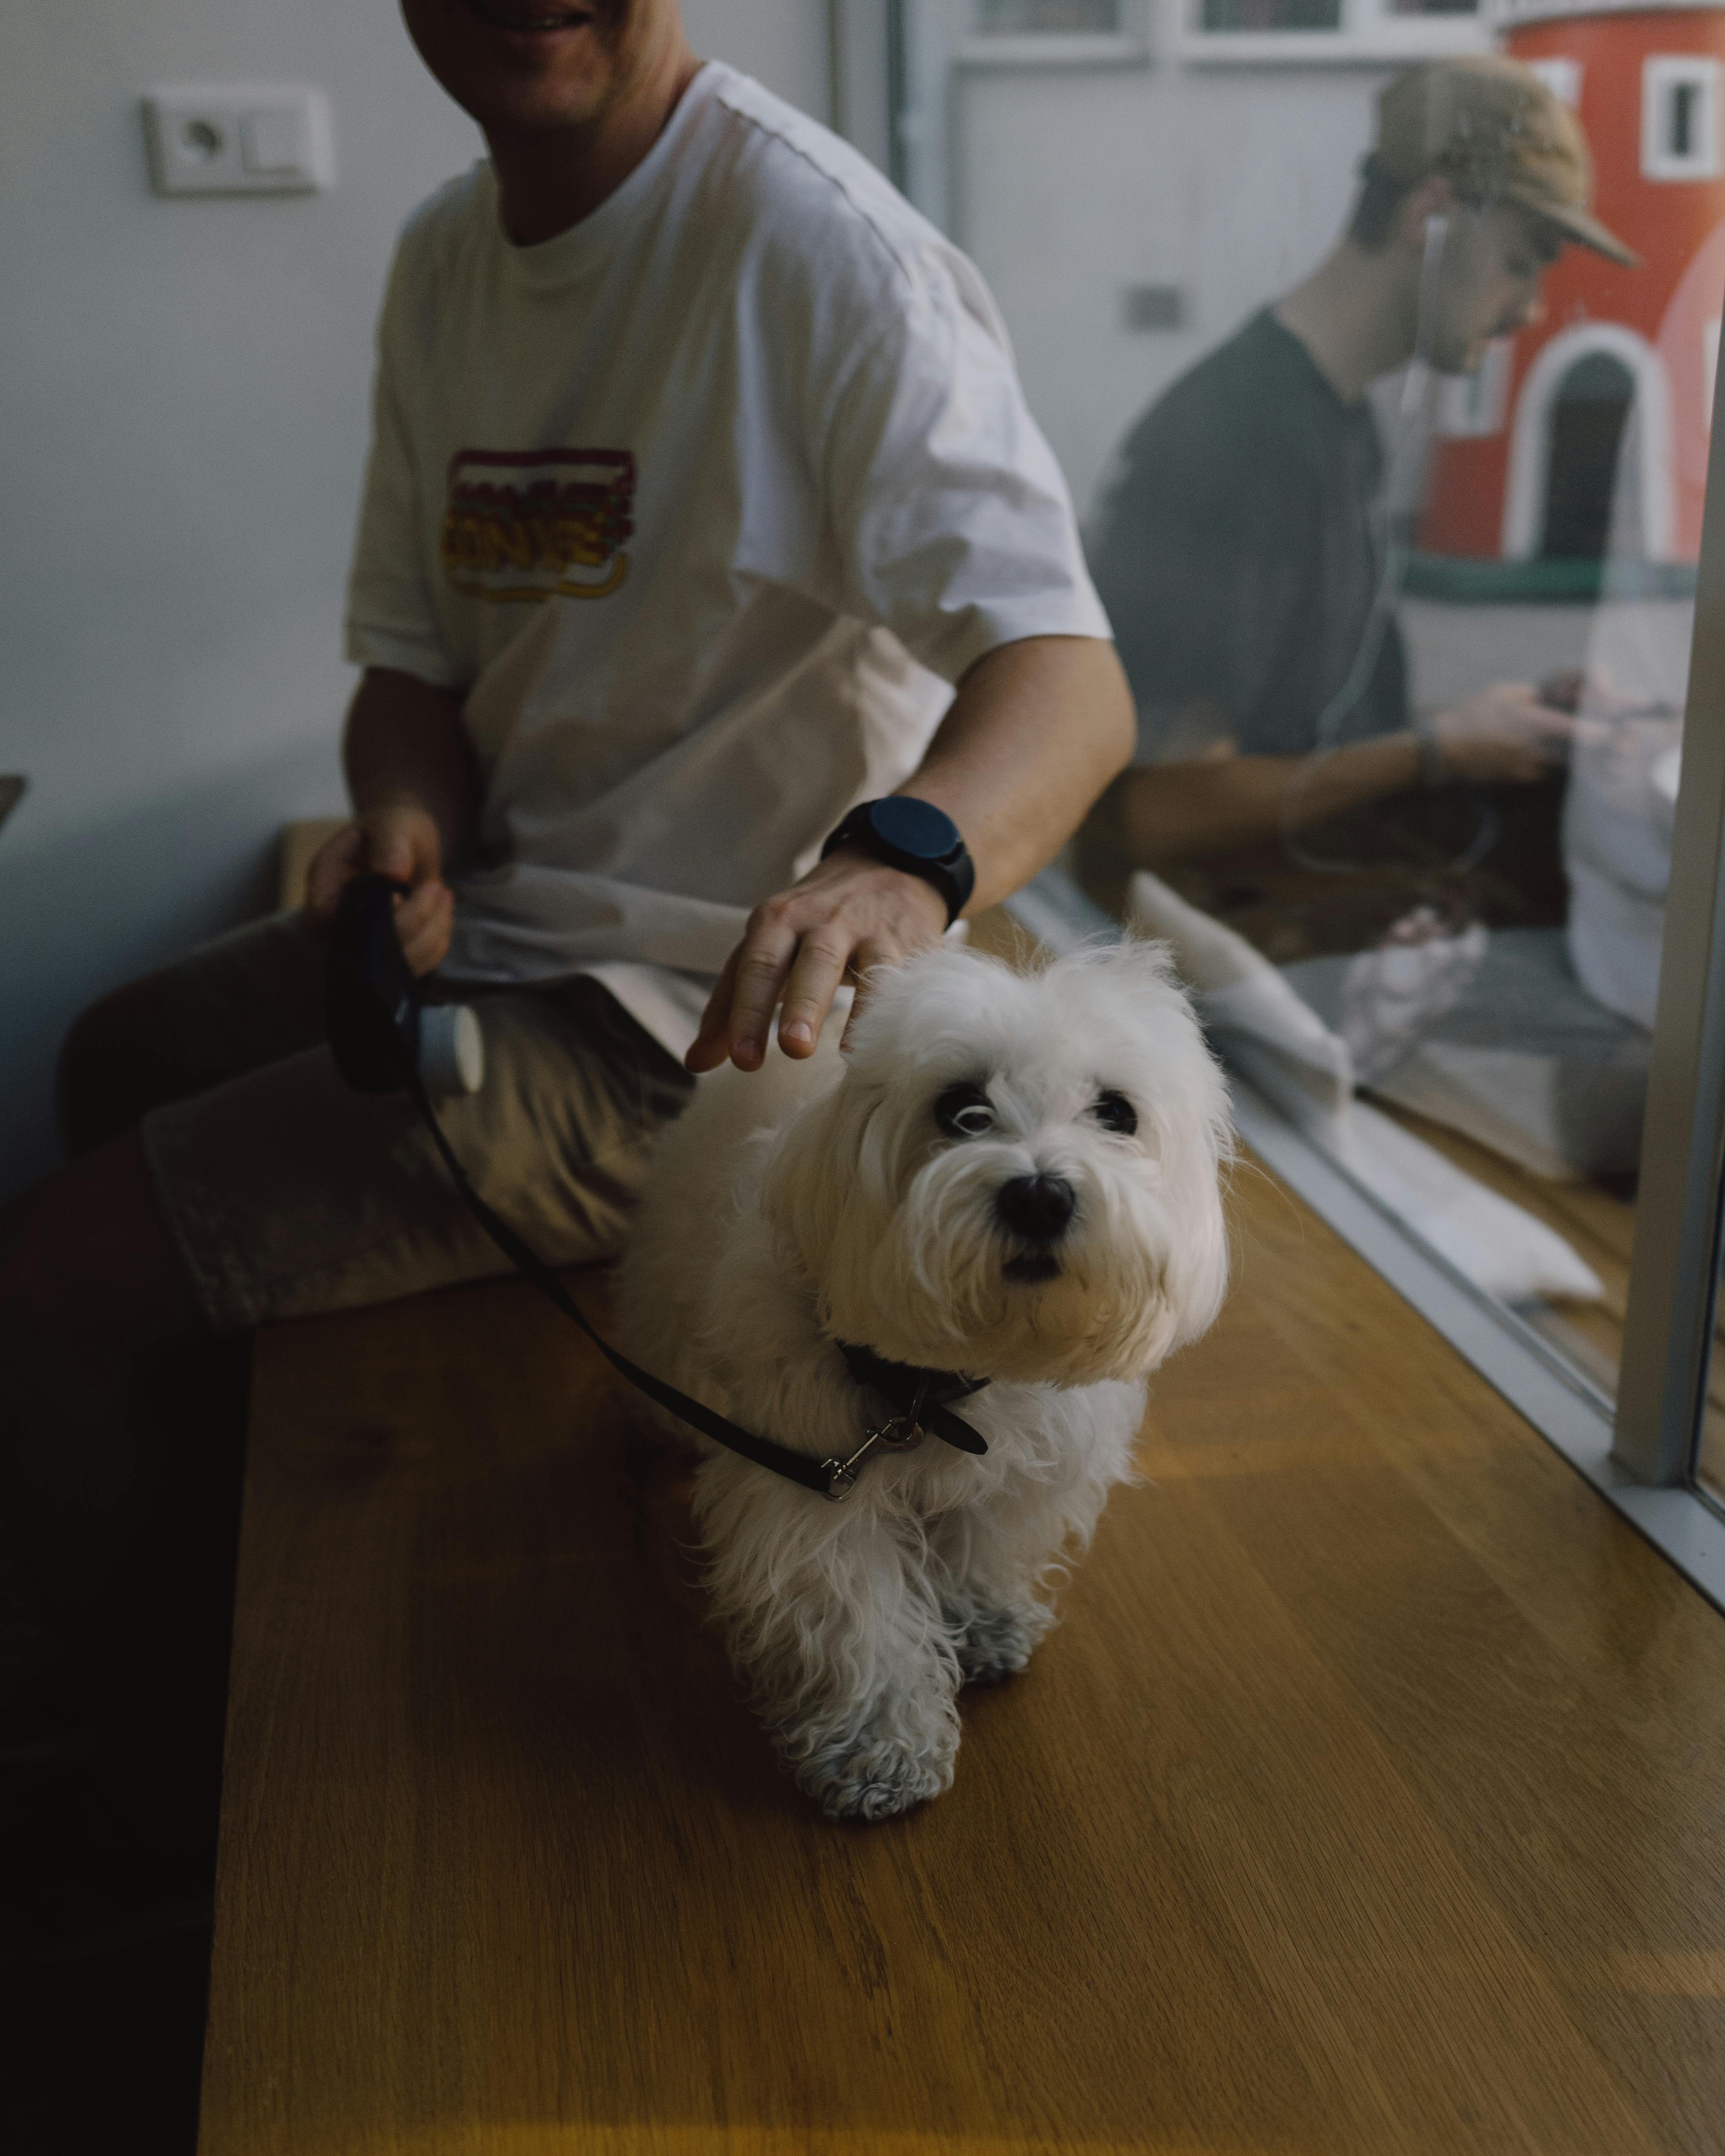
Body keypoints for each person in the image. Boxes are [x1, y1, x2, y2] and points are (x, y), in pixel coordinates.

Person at [0, 0, 1132, 1934]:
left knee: (38, 1301)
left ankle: (170, 1822)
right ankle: (193, 1627)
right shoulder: (454, 251)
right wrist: (409, 827)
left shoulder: (817, 249)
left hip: (686, 1029)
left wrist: (896, 866)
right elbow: (410, 679)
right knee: (112, 1046)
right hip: (499, 926)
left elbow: (1070, 680)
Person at [1083, 56, 1636, 903]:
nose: (1530, 309)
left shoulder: (1338, 420)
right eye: (1522, 261)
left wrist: (1496, 725)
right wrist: (1439, 751)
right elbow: (1158, 810)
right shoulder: (1246, 440)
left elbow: (1305, 730)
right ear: (1433, 214)